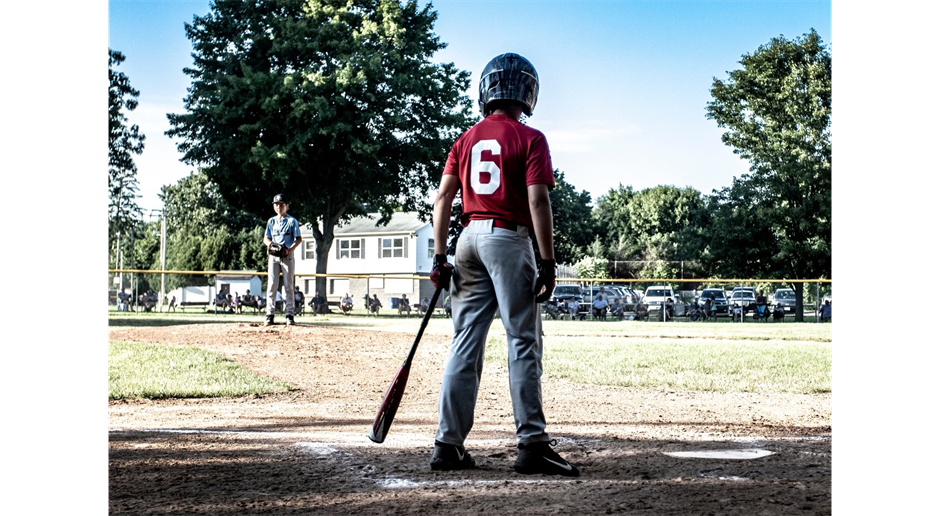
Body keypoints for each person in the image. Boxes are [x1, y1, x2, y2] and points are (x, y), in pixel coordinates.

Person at [428, 53, 578, 477]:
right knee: (522, 340)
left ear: (486, 91)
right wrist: (548, 261)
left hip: (467, 239)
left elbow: (442, 200)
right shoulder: (530, 139)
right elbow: (537, 200)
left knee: (464, 342)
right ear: (527, 92)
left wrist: (440, 257)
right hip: (508, 238)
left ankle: (447, 444)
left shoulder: (465, 139)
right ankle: (532, 444)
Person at [263, 193, 302, 326]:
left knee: (288, 285)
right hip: (274, 255)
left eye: (281, 204)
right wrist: (271, 246)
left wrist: (288, 250)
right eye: (276, 205)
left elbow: (298, 239)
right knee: (272, 284)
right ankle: (270, 314)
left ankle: (289, 315)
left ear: (287, 206)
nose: (279, 207)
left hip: (287, 255)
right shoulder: (271, 221)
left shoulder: (292, 221)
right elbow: (266, 238)